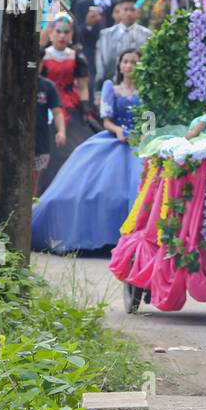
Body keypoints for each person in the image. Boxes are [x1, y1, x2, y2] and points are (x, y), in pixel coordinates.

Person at [32, 49, 144, 252]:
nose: (129, 66)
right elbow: (107, 121)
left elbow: (149, 119)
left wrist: (143, 134)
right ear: (119, 65)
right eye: (125, 61)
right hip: (115, 140)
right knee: (95, 190)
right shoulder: (112, 88)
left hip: (139, 143)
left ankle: (132, 243)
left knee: (135, 192)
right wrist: (119, 130)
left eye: (133, 62)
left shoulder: (145, 91)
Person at [38, 14, 95, 194]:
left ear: (71, 35)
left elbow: (83, 85)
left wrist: (86, 106)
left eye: (66, 32)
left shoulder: (76, 57)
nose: (62, 36)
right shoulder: (43, 55)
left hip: (70, 103)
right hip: (45, 103)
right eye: (58, 31)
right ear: (51, 33)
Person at [94, 0, 152, 101]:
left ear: (138, 12)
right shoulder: (106, 35)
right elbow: (101, 65)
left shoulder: (147, 35)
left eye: (132, 10)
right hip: (111, 84)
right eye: (126, 10)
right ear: (119, 11)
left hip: (139, 88)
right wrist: (98, 93)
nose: (129, 13)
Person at [34, 73, 66, 193]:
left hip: (40, 138)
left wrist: (61, 131)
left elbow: (57, 112)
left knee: (34, 177)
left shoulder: (47, 86)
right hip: (15, 138)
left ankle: (31, 207)